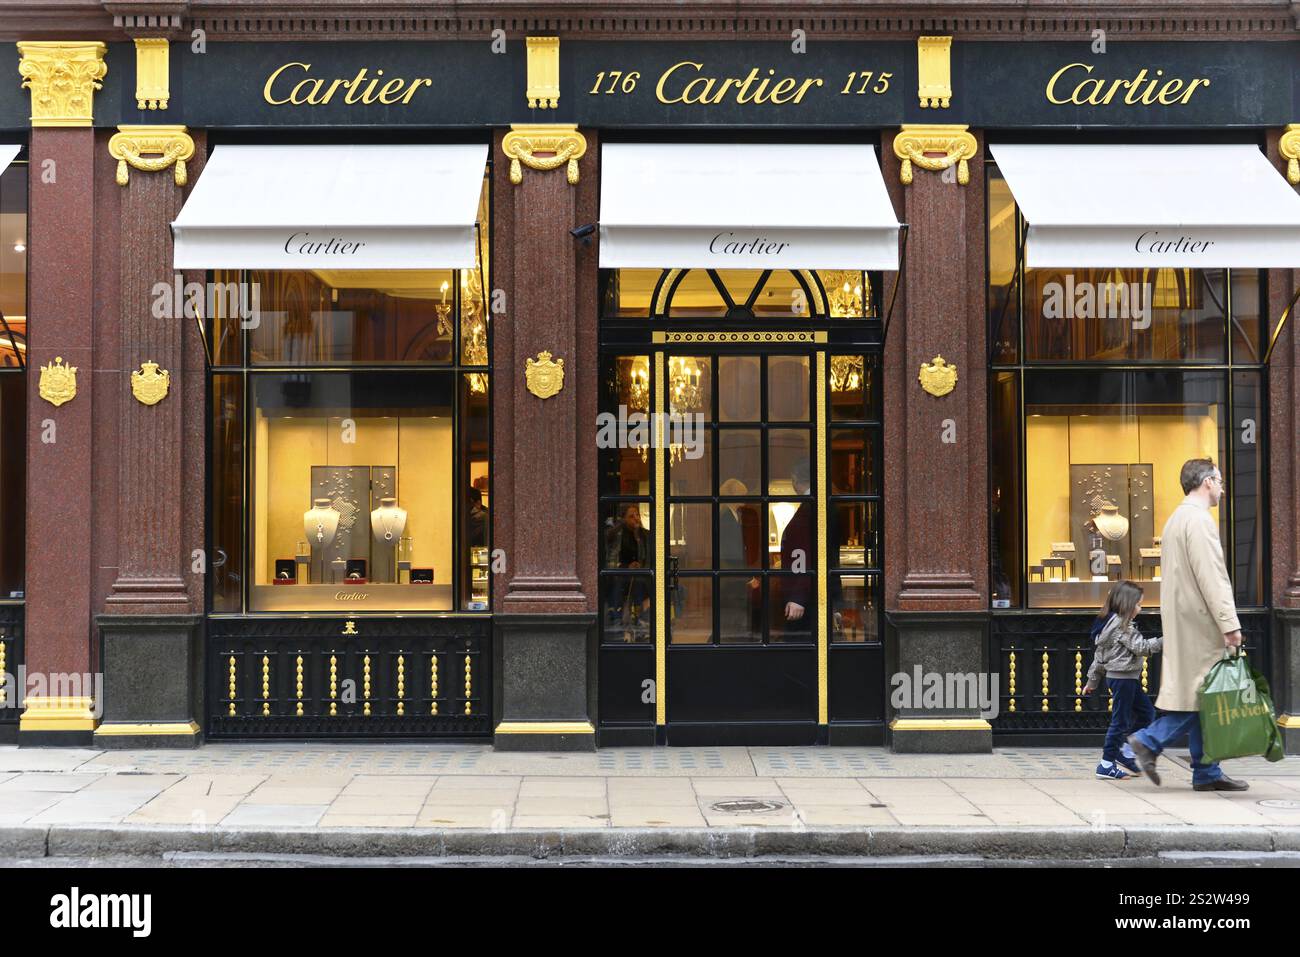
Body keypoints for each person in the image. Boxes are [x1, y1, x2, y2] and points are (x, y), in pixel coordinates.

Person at [1128, 458, 1247, 792]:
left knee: (1203, 697)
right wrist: (1229, 623)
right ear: (1207, 481)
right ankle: (1149, 741)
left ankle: (1206, 771)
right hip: (1203, 625)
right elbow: (1213, 578)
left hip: (1185, 621)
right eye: (1220, 481)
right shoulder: (1199, 521)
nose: (1222, 488)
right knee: (1204, 695)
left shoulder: (1176, 520)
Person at [1083, 580, 1162, 780]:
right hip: (1123, 679)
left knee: (1146, 713)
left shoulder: (1108, 624)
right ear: (1127, 604)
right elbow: (1142, 647)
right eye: (1138, 604)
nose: (1140, 608)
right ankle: (1106, 764)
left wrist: (1092, 682)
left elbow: (1099, 657)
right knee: (1120, 721)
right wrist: (1167, 639)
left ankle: (1123, 752)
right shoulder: (1122, 626)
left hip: (1123, 679)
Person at [777, 458, 814, 639]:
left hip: (803, 598)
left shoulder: (809, 508)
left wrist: (798, 597)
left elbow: (804, 555)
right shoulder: (813, 505)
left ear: (795, 480)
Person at [605, 503, 651, 633]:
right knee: (618, 583)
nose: (636, 518)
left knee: (640, 582)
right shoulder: (617, 535)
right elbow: (611, 559)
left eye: (637, 515)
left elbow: (648, 558)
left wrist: (640, 565)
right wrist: (626, 566)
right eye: (631, 516)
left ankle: (642, 618)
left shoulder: (644, 535)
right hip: (620, 573)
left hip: (640, 573)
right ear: (623, 519)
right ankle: (616, 618)